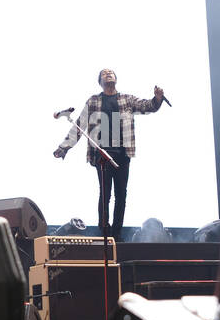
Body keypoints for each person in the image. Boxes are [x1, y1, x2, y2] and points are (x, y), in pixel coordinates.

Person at [54, 68, 166, 242]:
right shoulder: (93, 101)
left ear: (116, 79)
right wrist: (64, 147)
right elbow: (80, 124)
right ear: (100, 81)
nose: (108, 74)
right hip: (102, 154)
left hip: (122, 153)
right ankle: (104, 231)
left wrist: (158, 98)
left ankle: (117, 232)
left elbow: (148, 106)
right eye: (104, 73)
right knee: (105, 194)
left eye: (111, 72)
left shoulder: (126, 99)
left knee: (121, 194)